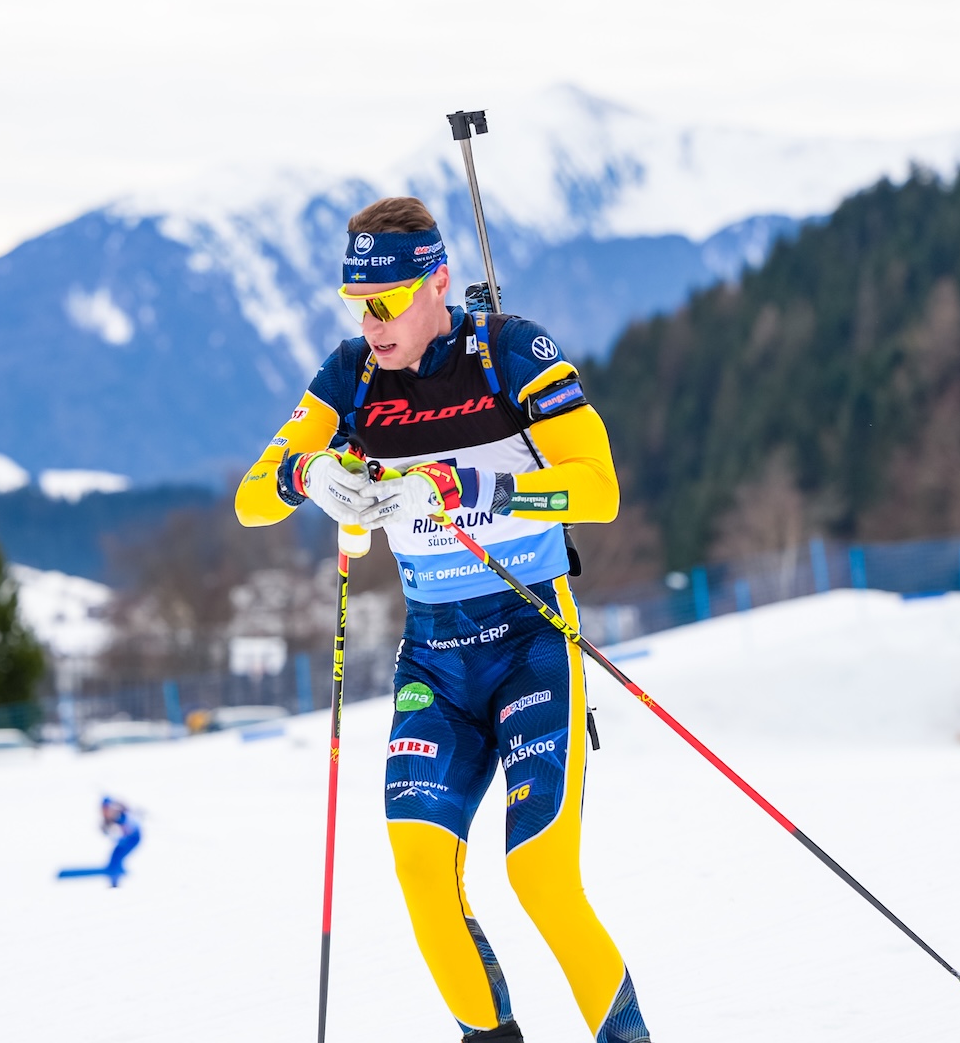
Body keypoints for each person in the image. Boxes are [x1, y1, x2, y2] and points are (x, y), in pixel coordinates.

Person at [236, 196, 651, 1043]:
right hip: (436, 657)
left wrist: (468, 487)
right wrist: (308, 476)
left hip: (531, 637)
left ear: (437, 283)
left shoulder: (509, 352)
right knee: (423, 873)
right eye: (355, 303)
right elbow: (252, 498)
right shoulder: (351, 375)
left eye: (384, 302)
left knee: (539, 873)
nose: (370, 322)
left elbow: (598, 488)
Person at [100, 796, 141, 887]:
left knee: (117, 856)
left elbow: (126, 828)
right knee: (115, 856)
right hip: (126, 839)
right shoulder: (108, 817)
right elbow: (107, 830)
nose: (105, 811)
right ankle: (114, 879)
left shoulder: (118, 815)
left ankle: (116, 877)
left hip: (133, 837)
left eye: (106, 808)